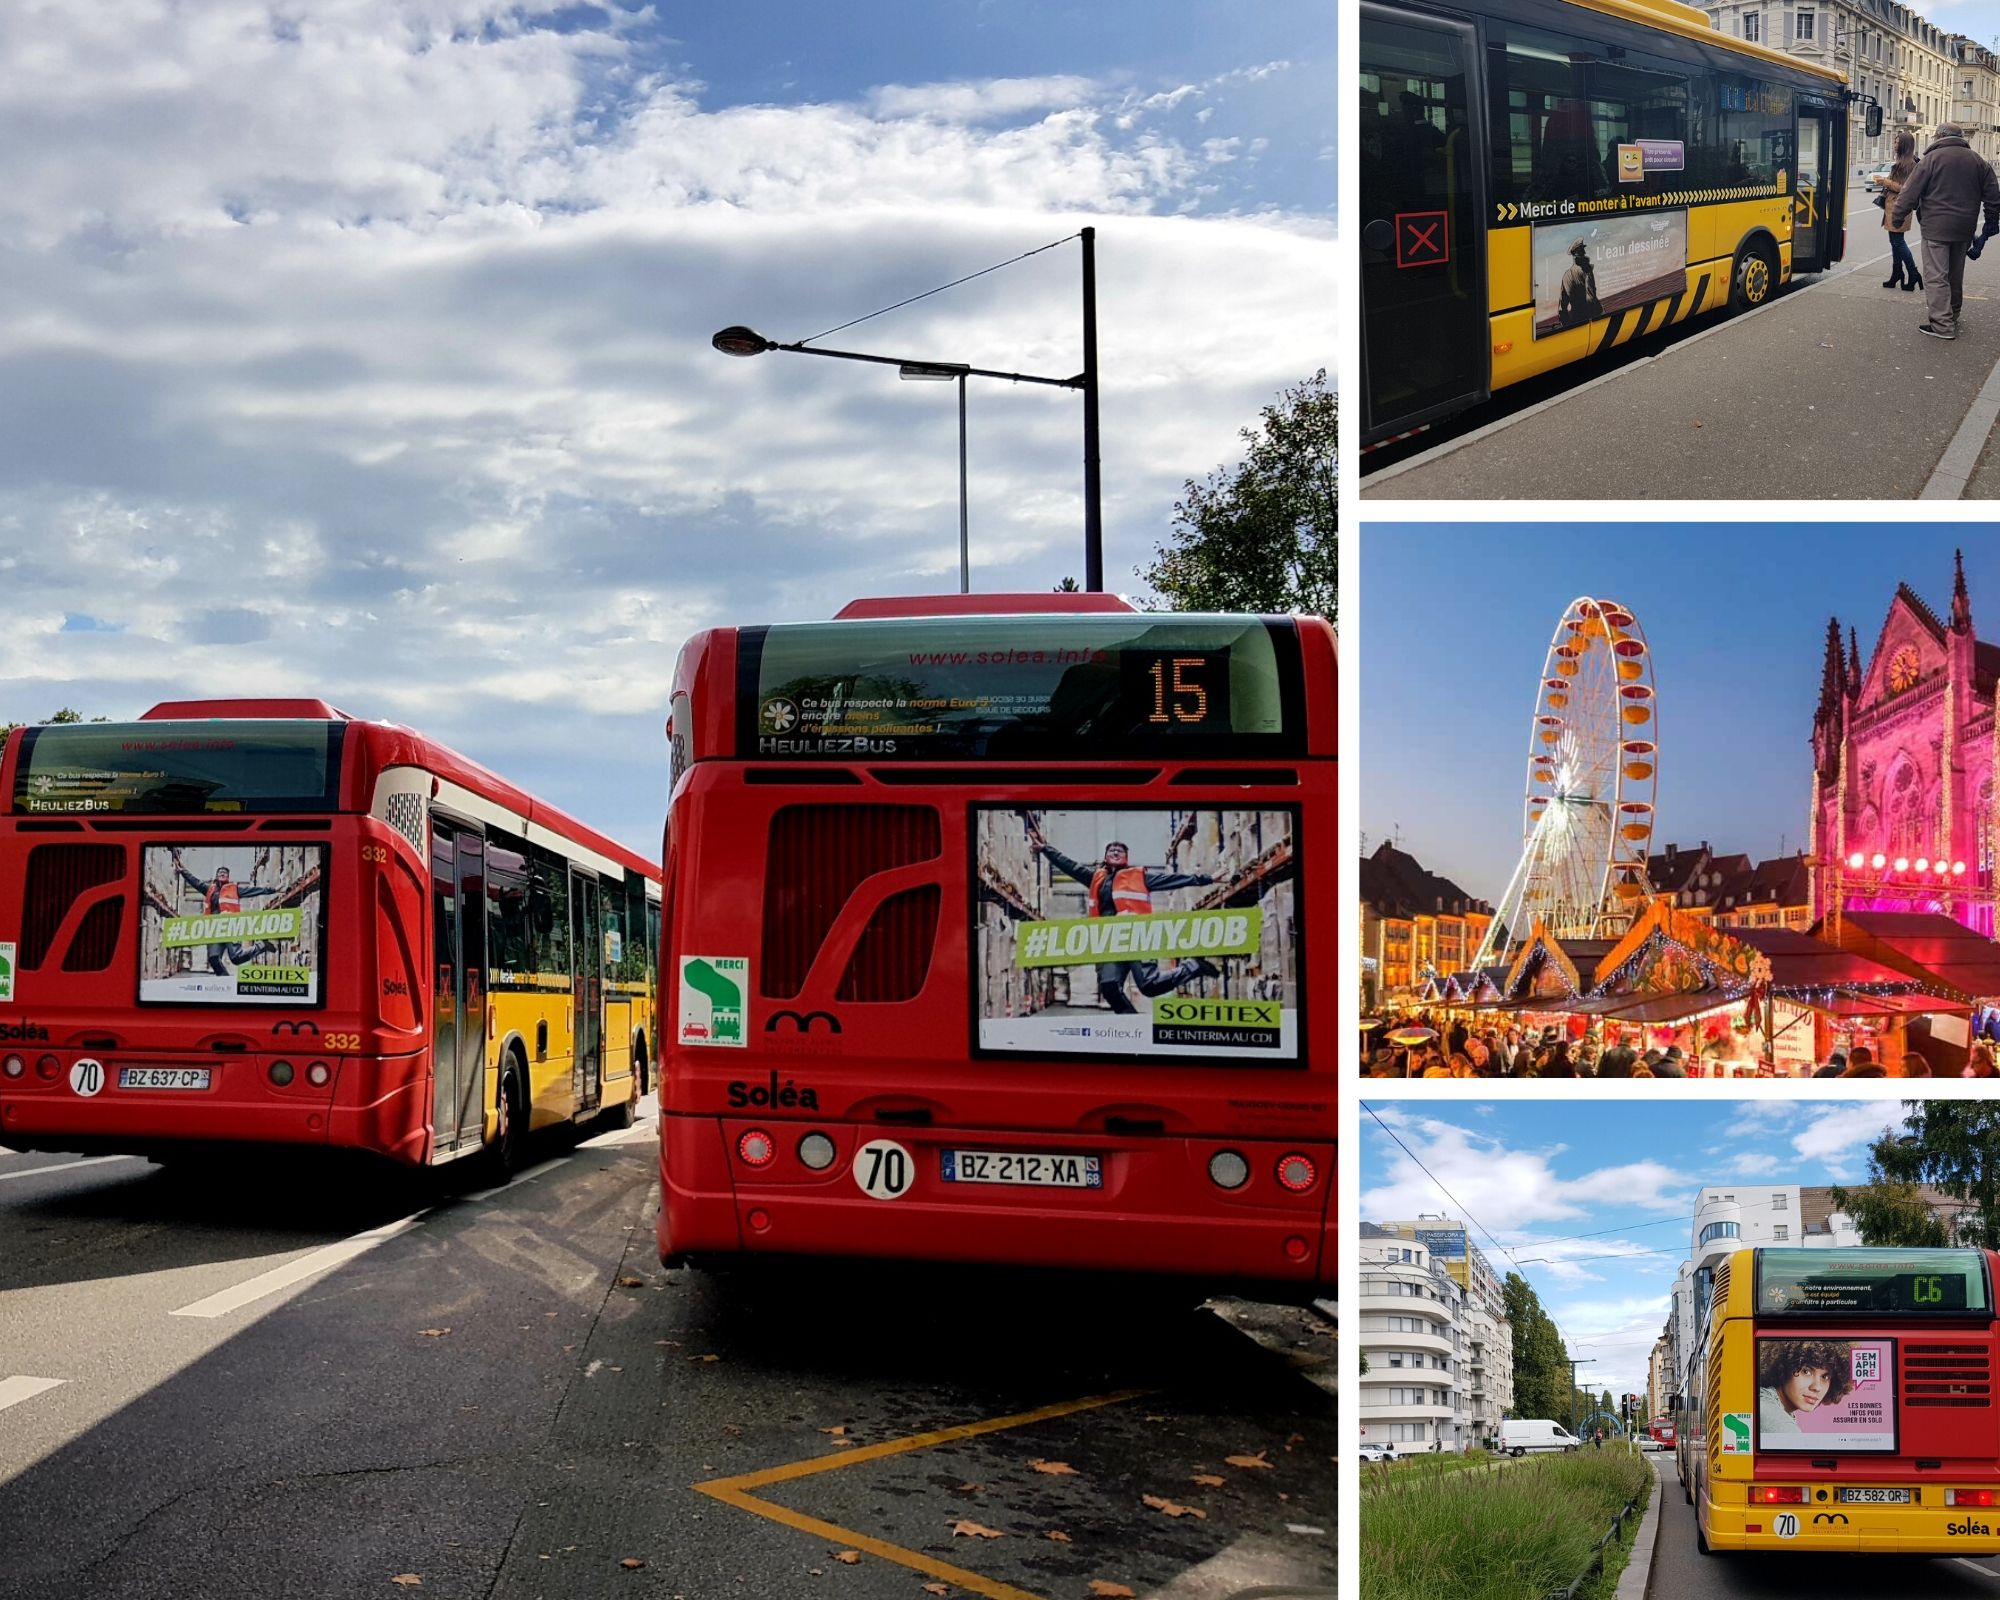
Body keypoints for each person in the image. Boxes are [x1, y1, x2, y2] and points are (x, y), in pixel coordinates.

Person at [1026, 824, 1220, 1013]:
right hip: (1110, 941)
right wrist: (1046, 850)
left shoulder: (1139, 876)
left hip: (1137, 938)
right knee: (1109, 987)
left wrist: (1207, 879)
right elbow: (1070, 866)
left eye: (1120, 850)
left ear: (1126, 857)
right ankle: (1131, 1023)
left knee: (1150, 986)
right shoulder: (1096, 878)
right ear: (1105, 856)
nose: (1115, 852)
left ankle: (1193, 967)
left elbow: (1173, 880)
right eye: (1111, 849)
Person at [1890, 121, 2000, 340]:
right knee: (1954, 274)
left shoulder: (1931, 160)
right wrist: (1990, 221)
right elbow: (1993, 195)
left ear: (1939, 137)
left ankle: (1942, 325)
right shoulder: (1977, 161)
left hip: (1936, 228)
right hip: (1965, 229)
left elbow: (1909, 193)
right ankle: (1953, 315)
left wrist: (1897, 215)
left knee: (1936, 276)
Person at [169, 849, 283, 977]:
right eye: (220, 872)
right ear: (216, 876)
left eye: (225, 873)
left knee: (236, 958)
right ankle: (225, 981)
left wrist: (273, 890)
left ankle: (262, 946)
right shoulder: (209, 889)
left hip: (231, 927)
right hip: (215, 928)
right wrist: (182, 871)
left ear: (228, 877)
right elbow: (194, 881)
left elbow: (254, 890)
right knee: (213, 958)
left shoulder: (235, 888)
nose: (222, 874)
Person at [1757, 1340, 1854, 1438]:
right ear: (1784, 1366)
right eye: (1806, 1371)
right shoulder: (1777, 1421)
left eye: (1825, 1377)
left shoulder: (1771, 1405)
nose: (1817, 1387)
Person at [1881, 131, 1922, 293]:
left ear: (1904, 145)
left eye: (1897, 142)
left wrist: (1886, 182)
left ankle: (1913, 273)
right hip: (1893, 206)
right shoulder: (1901, 162)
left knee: (1898, 242)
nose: (1894, 145)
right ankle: (1897, 274)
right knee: (1894, 242)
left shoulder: (1909, 164)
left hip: (1900, 207)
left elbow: (1905, 189)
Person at [1558, 237, 1602, 328]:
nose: (1585, 253)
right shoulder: (1586, 270)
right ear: (1579, 253)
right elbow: (1591, 298)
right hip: (1593, 316)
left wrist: (1566, 324)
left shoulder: (1566, 275)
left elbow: (1562, 307)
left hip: (1576, 318)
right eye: (1582, 250)